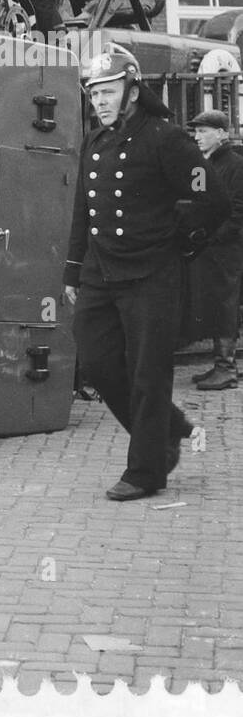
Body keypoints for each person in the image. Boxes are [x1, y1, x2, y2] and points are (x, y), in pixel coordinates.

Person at [64, 45, 227, 501]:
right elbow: (83, 212)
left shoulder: (166, 138)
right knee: (96, 361)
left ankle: (146, 470)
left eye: (109, 91)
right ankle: (170, 428)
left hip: (153, 272)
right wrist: (72, 272)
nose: (99, 101)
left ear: (132, 91)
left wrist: (182, 243)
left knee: (147, 373)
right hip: (101, 271)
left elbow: (212, 199)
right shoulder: (94, 143)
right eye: (94, 92)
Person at [186, 109, 243, 391]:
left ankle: (226, 368)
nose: (197, 137)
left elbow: (237, 212)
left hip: (226, 249)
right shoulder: (209, 164)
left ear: (221, 134)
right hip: (213, 248)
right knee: (218, 304)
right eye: (196, 132)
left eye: (203, 131)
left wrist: (213, 238)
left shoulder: (234, 165)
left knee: (225, 305)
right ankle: (220, 365)